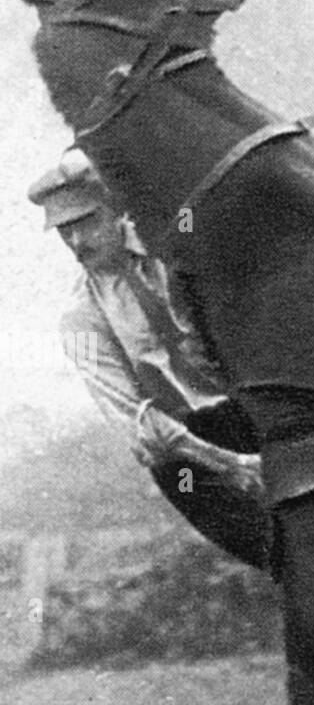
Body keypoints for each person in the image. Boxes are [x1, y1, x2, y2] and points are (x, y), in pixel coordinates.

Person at [28, 149, 270, 570]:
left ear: (116, 208)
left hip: (255, 403)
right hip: (192, 445)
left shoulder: (174, 250)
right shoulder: (81, 320)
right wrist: (233, 465)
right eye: (65, 231)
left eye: (86, 221)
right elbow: (136, 421)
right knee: (277, 553)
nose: (78, 242)